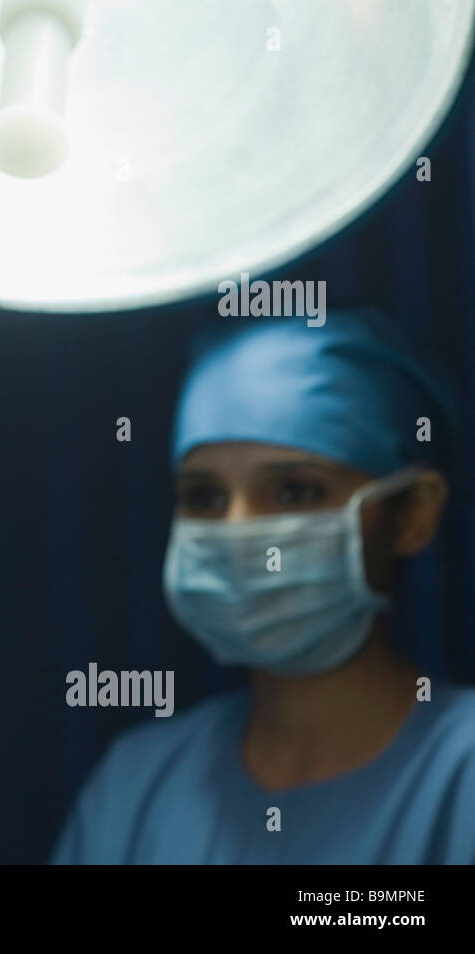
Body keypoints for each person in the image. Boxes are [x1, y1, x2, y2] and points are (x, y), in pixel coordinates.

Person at [52, 309, 475, 864]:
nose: (238, 532)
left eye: (294, 492)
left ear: (413, 514)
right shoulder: (135, 788)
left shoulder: (459, 779)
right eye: (205, 498)